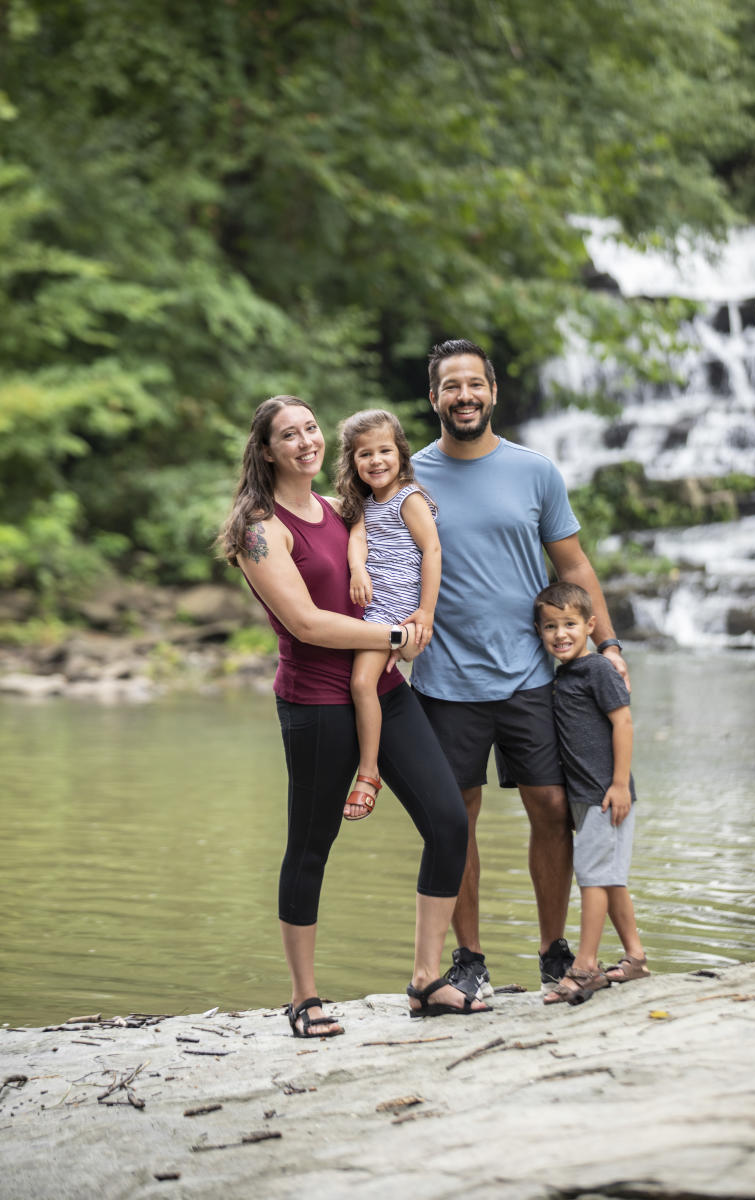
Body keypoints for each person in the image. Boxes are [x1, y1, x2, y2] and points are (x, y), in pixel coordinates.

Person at [218, 395, 490, 1037]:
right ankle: (304, 998)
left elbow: (410, 540)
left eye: (311, 428)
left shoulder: (345, 508)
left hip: (386, 692)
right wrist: (395, 639)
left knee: (449, 822)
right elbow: (307, 623)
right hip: (316, 704)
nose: (306, 440)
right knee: (312, 847)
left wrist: (417, 619)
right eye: (289, 434)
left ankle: (427, 980)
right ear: (266, 450)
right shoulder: (260, 527)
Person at [410, 338, 630, 997]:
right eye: (451, 386)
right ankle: (469, 954)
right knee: (458, 816)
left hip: (534, 674)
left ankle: (552, 948)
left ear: (494, 392)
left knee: (553, 805)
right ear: (434, 398)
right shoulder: (409, 476)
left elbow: (573, 565)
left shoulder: (535, 471)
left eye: (474, 384)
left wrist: (610, 644)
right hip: (445, 679)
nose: (464, 396)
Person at [534, 581, 649, 1005]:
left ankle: (585, 968)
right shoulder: (563, 674)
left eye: (569, 624)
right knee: (610, 877)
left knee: (594, 877)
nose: (560, 634)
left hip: (606, 794)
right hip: (586, 796)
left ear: (590, 625)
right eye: (550, 626)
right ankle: (635, 957)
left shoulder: (600, 669)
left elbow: (623, 723)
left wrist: (619, 784)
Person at [336, 409, 441, 821]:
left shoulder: (408, 498)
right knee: (369, 679)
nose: (376, 461)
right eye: (365, 454)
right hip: (371, 608)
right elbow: (358, 537)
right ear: (353, 461)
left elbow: (432, 551)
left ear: (401, 453)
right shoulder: (363, 502)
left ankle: (369, 772)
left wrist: (426, 613)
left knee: (362, 683)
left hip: (393, 610)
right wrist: (359, 568)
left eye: (384, 451)